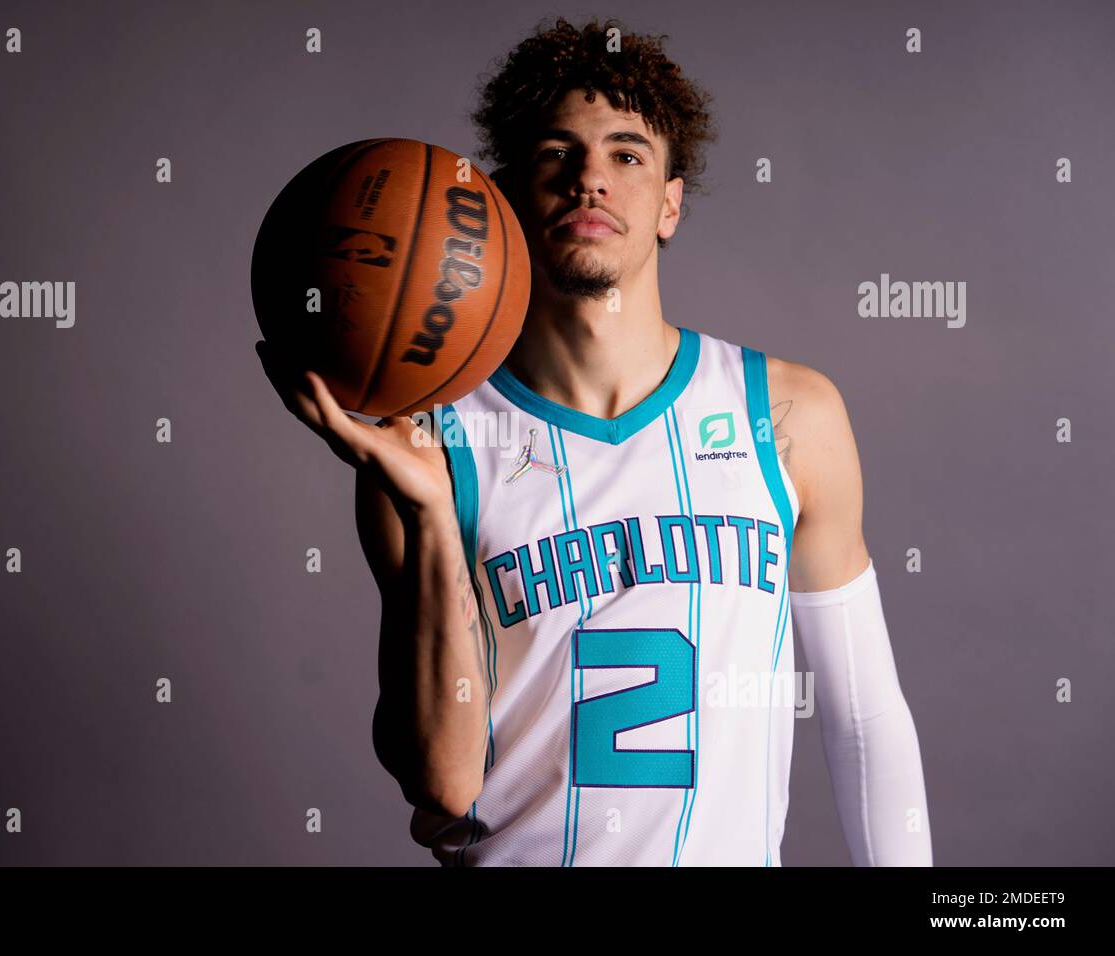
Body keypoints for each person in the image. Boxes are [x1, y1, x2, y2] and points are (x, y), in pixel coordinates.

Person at [256, 17, 932, 866]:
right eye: (555, 154)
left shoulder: (791, 417)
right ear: (502, 197)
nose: (589, 181)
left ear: (670, 204)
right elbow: (445, 780)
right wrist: (429, 514)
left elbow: (864, 715)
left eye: (626, 154)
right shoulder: (428, 448)